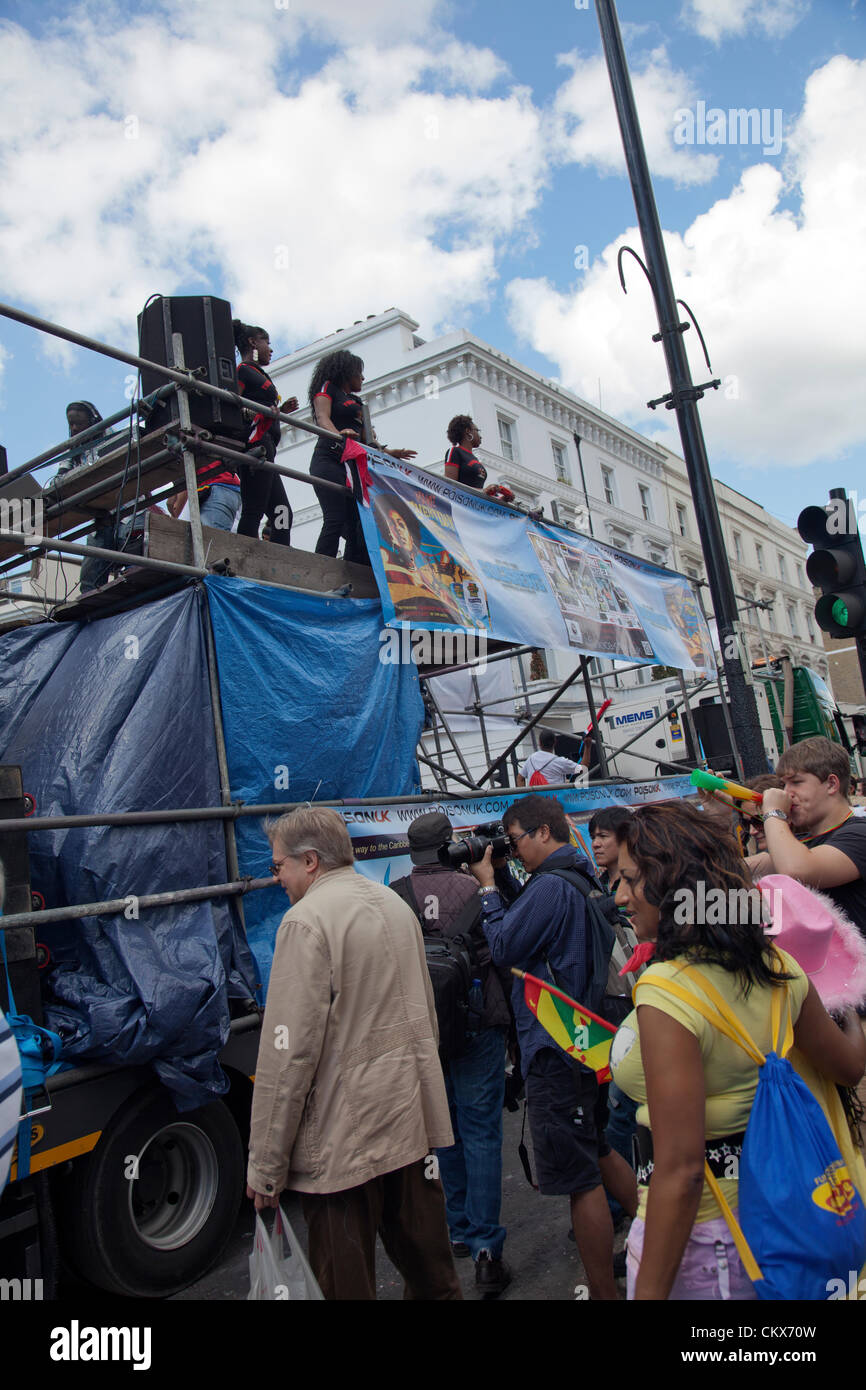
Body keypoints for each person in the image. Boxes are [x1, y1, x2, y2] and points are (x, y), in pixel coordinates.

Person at [610, 799, 866, 1300]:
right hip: (785, 1221)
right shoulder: (779, 968)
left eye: (631, 879)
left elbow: (681, 1172)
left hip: (709, 1239)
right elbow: (849, 1066)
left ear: (673, 886)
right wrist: (852, 1008)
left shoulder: (667, 991)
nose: (620, 895)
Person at [245, 807, 461, 1301]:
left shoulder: (305, 922)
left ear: (311, 861)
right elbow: (423, 1012)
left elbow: (287, 1054)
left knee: (347, 1285)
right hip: (407, 1121)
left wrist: (266, 1166)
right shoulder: (390, 903)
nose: (276, 877)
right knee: (434, 1278)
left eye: (279, 866)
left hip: (344, 1142)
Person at [470, 794, 637, 1300]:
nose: (513, 851)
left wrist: (483, 888)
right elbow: (530, 919)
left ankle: (604, 1293)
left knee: (579, 1178)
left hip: (554, 1047)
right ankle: (665, 1232)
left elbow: (503, 944)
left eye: (516, 839)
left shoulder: (549, 888)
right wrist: (501, 874)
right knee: (602, 1147)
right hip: (586, 1041)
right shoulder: (580, 873)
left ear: (543, 833)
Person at [390, 812, 512, 1295]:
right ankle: (486, 1246)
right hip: (480, 1020)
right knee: (481, 1128)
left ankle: (458, 1228)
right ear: (450, 846)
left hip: (426, 1026)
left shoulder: (395, 896)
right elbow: (506, 945)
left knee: (444, 1129)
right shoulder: (474, 889)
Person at [745, 736, 866, 933]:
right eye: (784, 784)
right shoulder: (801, 844)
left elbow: (796, 870)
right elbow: (739, 868)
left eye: (796, 782)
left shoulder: (859, 833)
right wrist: (718, 816)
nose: (787, 793)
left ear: (831, 784)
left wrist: (773, 812)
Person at [308, 351, 416, 565]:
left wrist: (390, 453)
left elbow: (369, 442)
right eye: (359, 373)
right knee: (335, 518)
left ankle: (351, 568)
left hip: (352, 466)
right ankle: (320, 566)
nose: (363, 378)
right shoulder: (328, 388)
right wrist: (339, 437)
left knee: (357, 522)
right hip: (329, 459)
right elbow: (322, 418)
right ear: (346, 371)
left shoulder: (357, 402)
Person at [233, 320, 298, 546]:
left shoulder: (257, 373)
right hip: (255, 446)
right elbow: (231, 404)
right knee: (254, 509)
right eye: (266, 342)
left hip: (267, 446)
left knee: (282, 513)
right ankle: (246, 561)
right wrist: (251, 412)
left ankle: (279, 557)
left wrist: (280, 411)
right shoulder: (242, 370)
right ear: (252, 342)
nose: (270, 349)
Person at [588, 805, 633, 894]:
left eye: (603, 836)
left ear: (625, 838)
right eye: (593, 838)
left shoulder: (641, 884)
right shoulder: (594, 888)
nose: (595, 844)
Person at [516, 729, 581, 787]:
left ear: (539, 742)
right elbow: (582, 768)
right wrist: (587, 747)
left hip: (535, 799)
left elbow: (520, 778)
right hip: (555, 799)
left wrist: (524, 796)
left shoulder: (530, 759)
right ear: (555, 742)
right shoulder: (560, 761)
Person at [444, 416, 487, 491]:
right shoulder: (454, 451)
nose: (480, 437)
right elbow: (450, 486)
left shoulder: (474, 458)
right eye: (477, 430)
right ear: (468, 431)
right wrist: (483, 492)